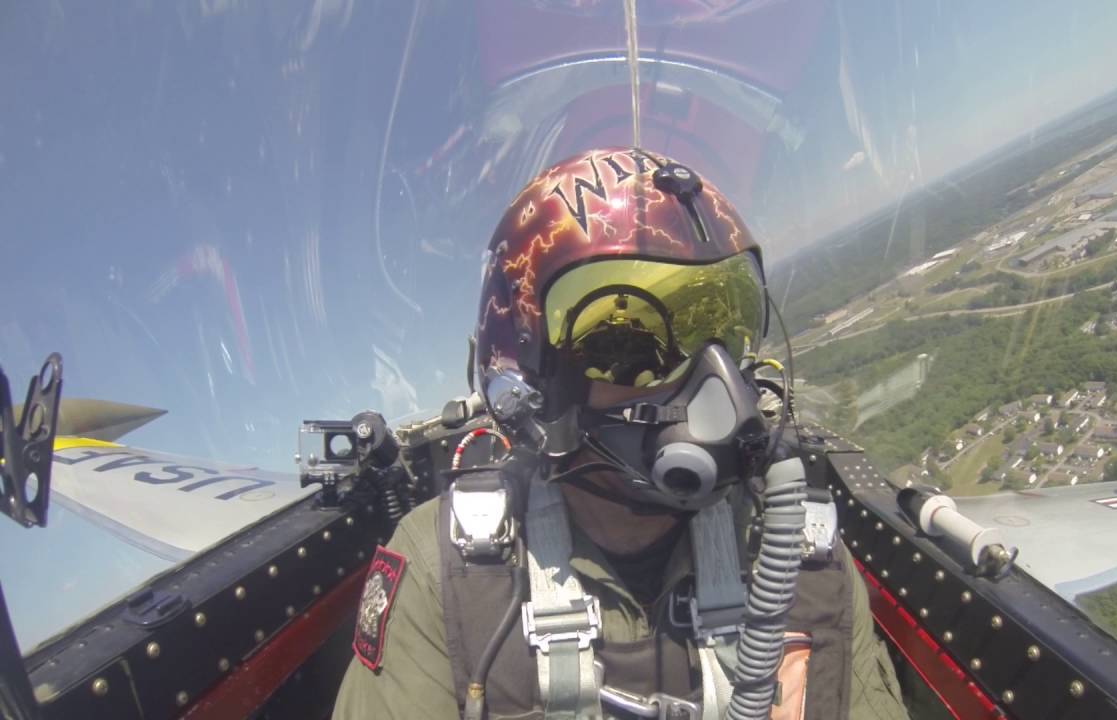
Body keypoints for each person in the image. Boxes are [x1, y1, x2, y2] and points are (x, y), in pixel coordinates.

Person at [333, 148, 908, 719]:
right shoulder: (449, 573)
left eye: (727, 339)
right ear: (527, 379)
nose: (719, 390)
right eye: (628, 351)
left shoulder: (802, 557)